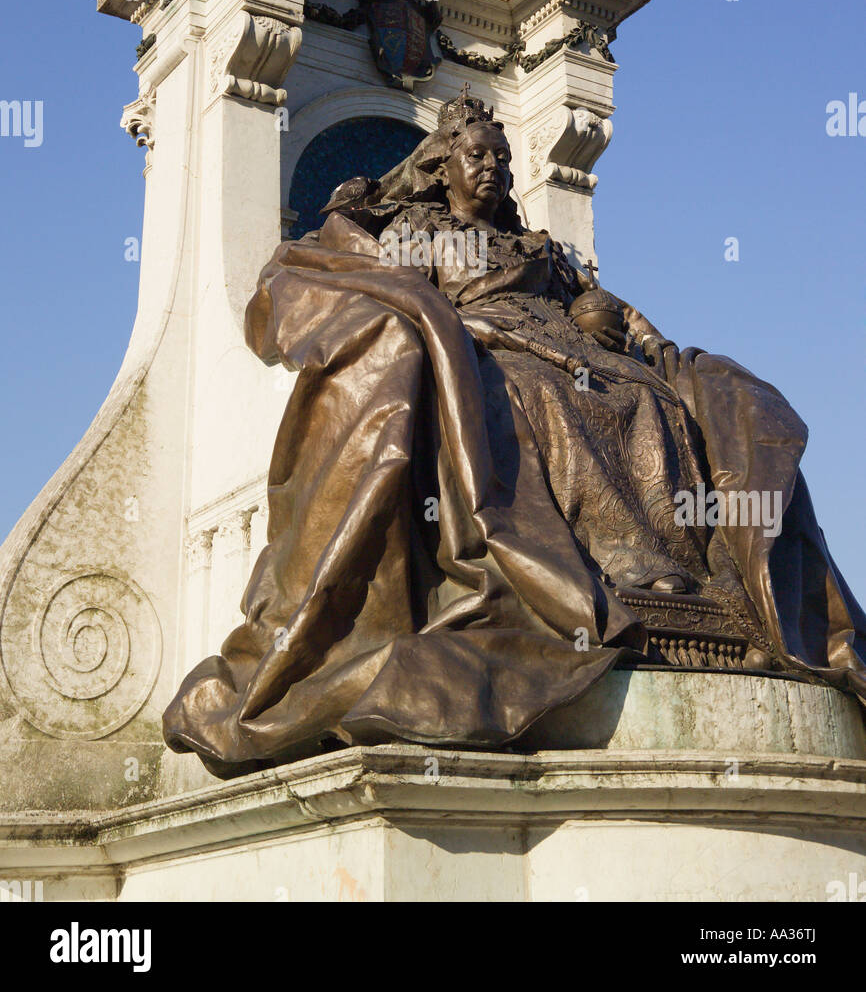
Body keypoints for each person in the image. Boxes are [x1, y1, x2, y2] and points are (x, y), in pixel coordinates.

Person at [164, 90, 866, 775]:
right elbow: (403, 299)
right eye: (477, 155)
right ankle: (600, 580)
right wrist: (460, 327)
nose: (493, 167)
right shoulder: (418, 231)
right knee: (544, 401)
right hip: (485, 355)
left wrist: (641, 339)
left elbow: (611, 307)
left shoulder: (538, 247)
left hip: (576, 349)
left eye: (501, 156)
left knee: (650, 401)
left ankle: (675, 574)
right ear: (444, 166)